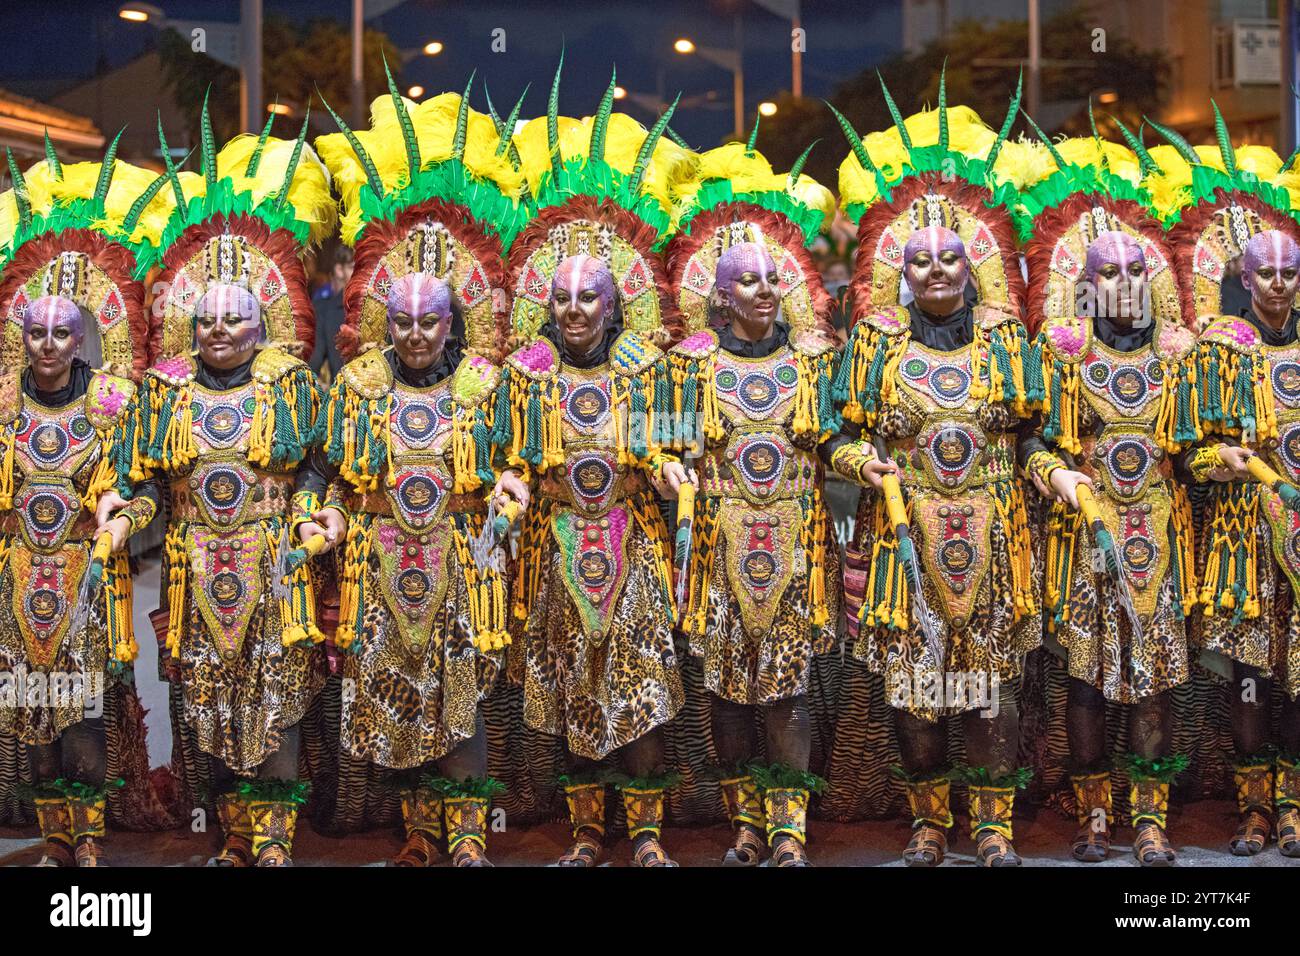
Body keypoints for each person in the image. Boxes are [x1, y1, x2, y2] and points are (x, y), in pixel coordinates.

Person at [105, 114, 337, 866]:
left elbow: (317, 465)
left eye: (235, 320)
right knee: (211, 702)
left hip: (274, 567)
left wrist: (309, 516)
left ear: (263, 323)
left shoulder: (291, 383)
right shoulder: (164, 391)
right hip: (196, 568)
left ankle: (273, 839)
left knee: (276, 700)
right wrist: (124, 511)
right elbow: (142, 483)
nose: (217, 331)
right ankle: (235, 836)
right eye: (205, 321)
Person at [829, 77, 1042, 866]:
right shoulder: (875, 342)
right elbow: (834, 439)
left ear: (973, 266)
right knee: (917, 690)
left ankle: (993, 826)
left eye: (951, 258)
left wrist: (1056, 475)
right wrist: (867, 463)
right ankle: (928, 821)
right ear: (901, 273)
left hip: (995, 535)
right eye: (919, 262)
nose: (937, 271)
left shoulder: (1004, 340)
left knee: (990, 688)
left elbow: (1035, 435)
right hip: (903, 538)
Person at [314, 84, 528, 866]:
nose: (412, 334)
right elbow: (335, 477)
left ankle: (467, 840)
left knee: (459, 700)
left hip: (461, 561)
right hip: (380, 560)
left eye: (429, 320)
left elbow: (513, 460)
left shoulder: (483, 384)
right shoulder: (361, 382)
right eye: (400, 321)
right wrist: (331, 518)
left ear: (454, 320)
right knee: (400, 701)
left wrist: (511, 492)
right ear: (382, 322)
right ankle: (418, 838)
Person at [491, 74, 691, 866]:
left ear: (615, 304)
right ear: (548, 305)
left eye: (590, 299)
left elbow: (677, 441)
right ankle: (584, 831)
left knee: (637, 689)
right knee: (574, 683)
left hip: (635, 548)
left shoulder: (649, 367)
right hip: (552, 550)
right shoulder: (527, 372)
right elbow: (507, 455)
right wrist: (509, 487)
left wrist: (674, 472)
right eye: (563, 300)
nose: (575, 311)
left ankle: (645, 834)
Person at [1019, 133, 1200, 864]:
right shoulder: (1064, 356)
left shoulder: (1179, 356)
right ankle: (1094, 809)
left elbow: (1199, 443)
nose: (1126, 283)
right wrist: (1058, 476)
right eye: (1110, 274)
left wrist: (1224, 461)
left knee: (1153, 680)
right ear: (1087, 286)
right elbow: (1030, 445)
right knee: (1088, 678)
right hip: (1083, 542)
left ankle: (1150, 814)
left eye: (1137, 270)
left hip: (1159, 533)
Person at [665, 138, 846, 865]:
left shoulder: (811, 361)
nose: (765, 292)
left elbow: (834, 441)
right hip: (718, 542)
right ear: (720, 294)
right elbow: (664, 443)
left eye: (774, 280)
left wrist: (867, 463)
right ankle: (745, 822)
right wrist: (664, 470)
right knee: (728, 692)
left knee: (788, 688)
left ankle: (790, 825)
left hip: (797, 540)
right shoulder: (691, 366)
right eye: (748, 282)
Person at [0, 145, 163, 865]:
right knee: (31, 716)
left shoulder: (112, 402)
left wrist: (122, 519)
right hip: (17, 583)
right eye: (35, 332)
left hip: (87, 582)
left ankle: (89, 838)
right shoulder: (3, 404)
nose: (47, 345)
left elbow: (149, 488)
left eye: (62, 332)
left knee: (84, 716)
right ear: (20, 335)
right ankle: (56, 838)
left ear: (84, 335)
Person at [1168, 129, 1300, 856]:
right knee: (1252, 672)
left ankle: (1294, 803)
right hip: (1245, 533)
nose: (1278, 283)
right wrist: (1225, 458)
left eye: (1289, 271)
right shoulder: (1217, 346)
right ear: (1243, 280)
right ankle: (1253, 805)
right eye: (1266, 273)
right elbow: (1185, 449)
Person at [309, 244, 351, 381]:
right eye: (353, 267)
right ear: (340, 270)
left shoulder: (382, 308)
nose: (361, 273)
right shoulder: (325, 310)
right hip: (342, 396)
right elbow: (315, 359)